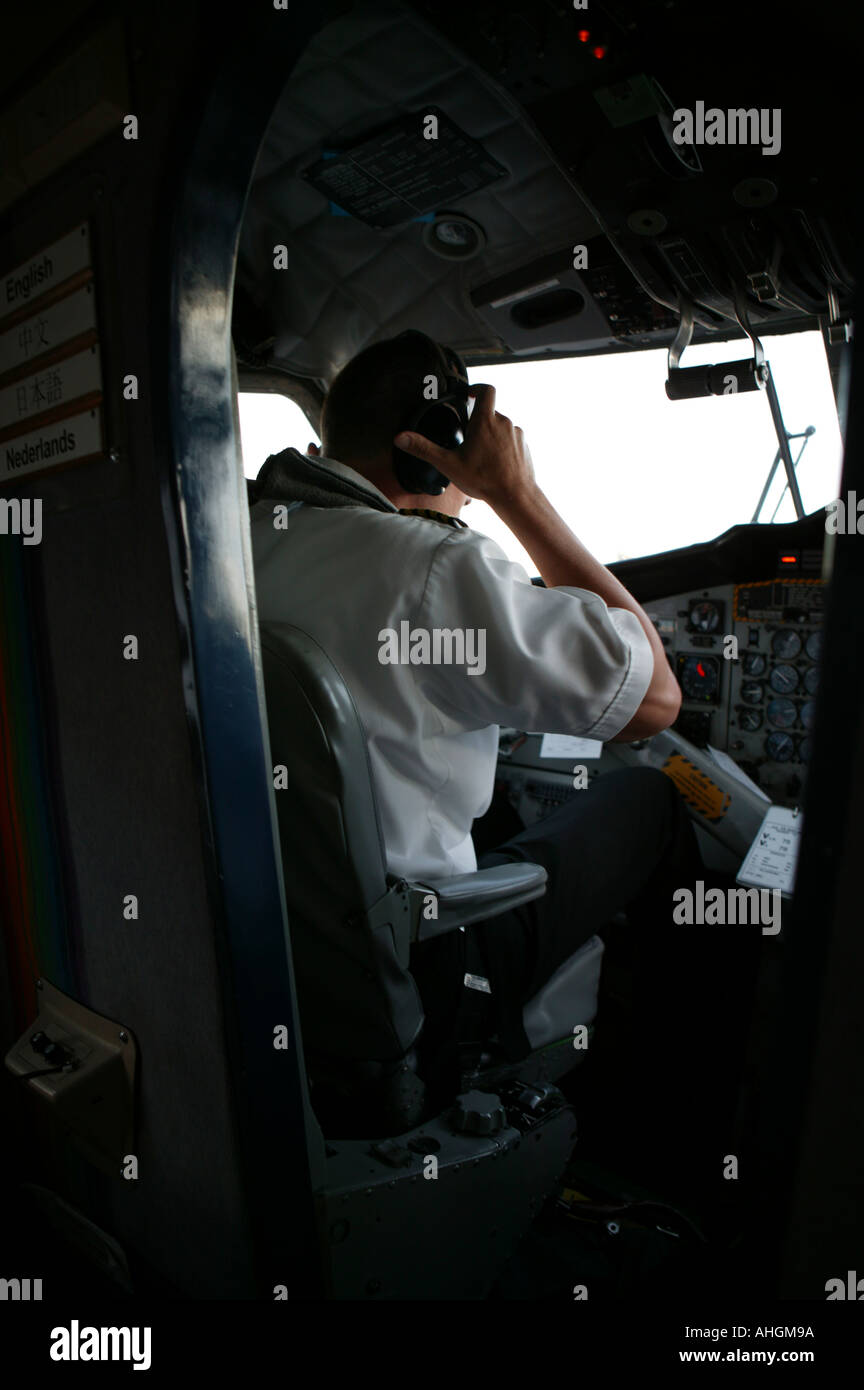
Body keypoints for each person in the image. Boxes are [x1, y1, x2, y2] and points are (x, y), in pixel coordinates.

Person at [249, 332, 709, 1122]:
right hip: (422, 964)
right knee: (651, 804)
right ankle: (670, 1109)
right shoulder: (433, 565)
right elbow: (655, 699)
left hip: (275, 947)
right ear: (434, 454)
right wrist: (515, 496)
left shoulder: (241, 541)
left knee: (492, 807)